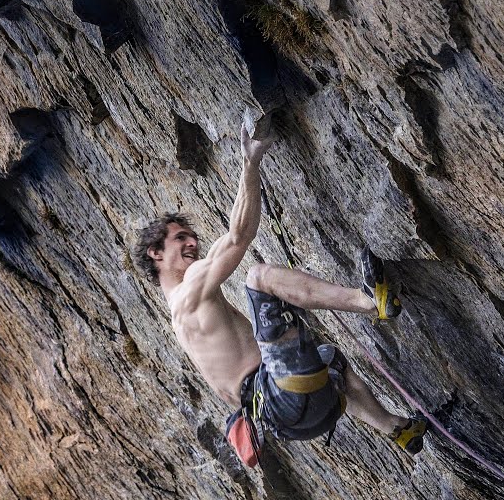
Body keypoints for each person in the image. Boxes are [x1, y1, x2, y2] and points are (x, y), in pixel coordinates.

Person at [133, 120, 426, 465]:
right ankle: (368, 301)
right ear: (156, 253)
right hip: (282, 393)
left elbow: (232, 393)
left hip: (293, 422)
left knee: (329, 356)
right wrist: (250, 163)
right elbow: (238, 237)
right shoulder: (191, 288)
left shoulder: (182, 327)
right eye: (180, 237)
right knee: (259, 277)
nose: (192, 242)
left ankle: (396, 427)